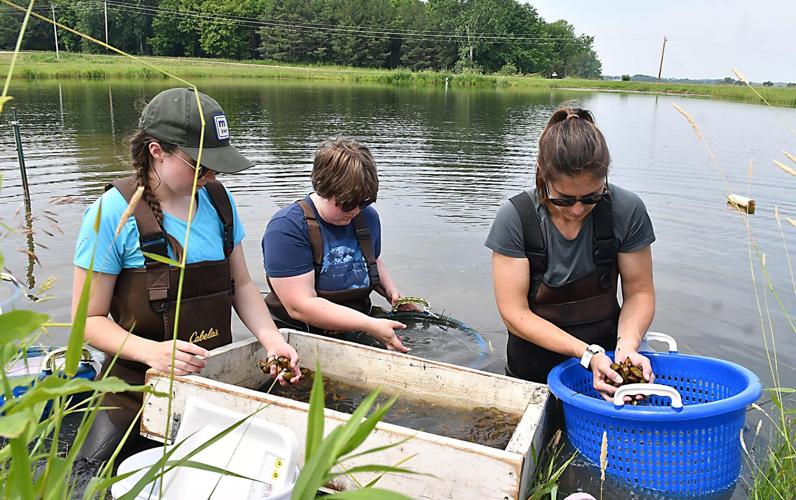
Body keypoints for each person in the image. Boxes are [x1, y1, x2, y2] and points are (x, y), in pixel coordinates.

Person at [73, 88, 300, 463]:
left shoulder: (219, 203)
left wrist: (272, 339)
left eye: (216, 165)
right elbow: (88, 321)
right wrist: (153, 353)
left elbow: (241, 285)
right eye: (200, 163)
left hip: (213, 386)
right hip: (133, 391)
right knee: (93, 478)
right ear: (156, 151)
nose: (210, 174)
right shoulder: (112, 213)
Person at [485, 107, 656, 399]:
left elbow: (639, 293)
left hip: (609, 357)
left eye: (591, 197)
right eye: (563, 199)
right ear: (542, 175)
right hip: (533, 368)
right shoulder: (515, 218)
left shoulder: (627, 211)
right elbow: (514, 314)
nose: (578, 210)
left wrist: (627, 346)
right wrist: (587, 354)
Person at [262, 139, 414, 353]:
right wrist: (370, 325)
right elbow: (300, 306)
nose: (355, 212)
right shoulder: (287, 227)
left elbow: (371, 260)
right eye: (347, 204)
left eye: (363, 203)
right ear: (323, 188)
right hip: (299, 337)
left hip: (359, 327)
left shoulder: (367, 217)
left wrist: (391, 291)